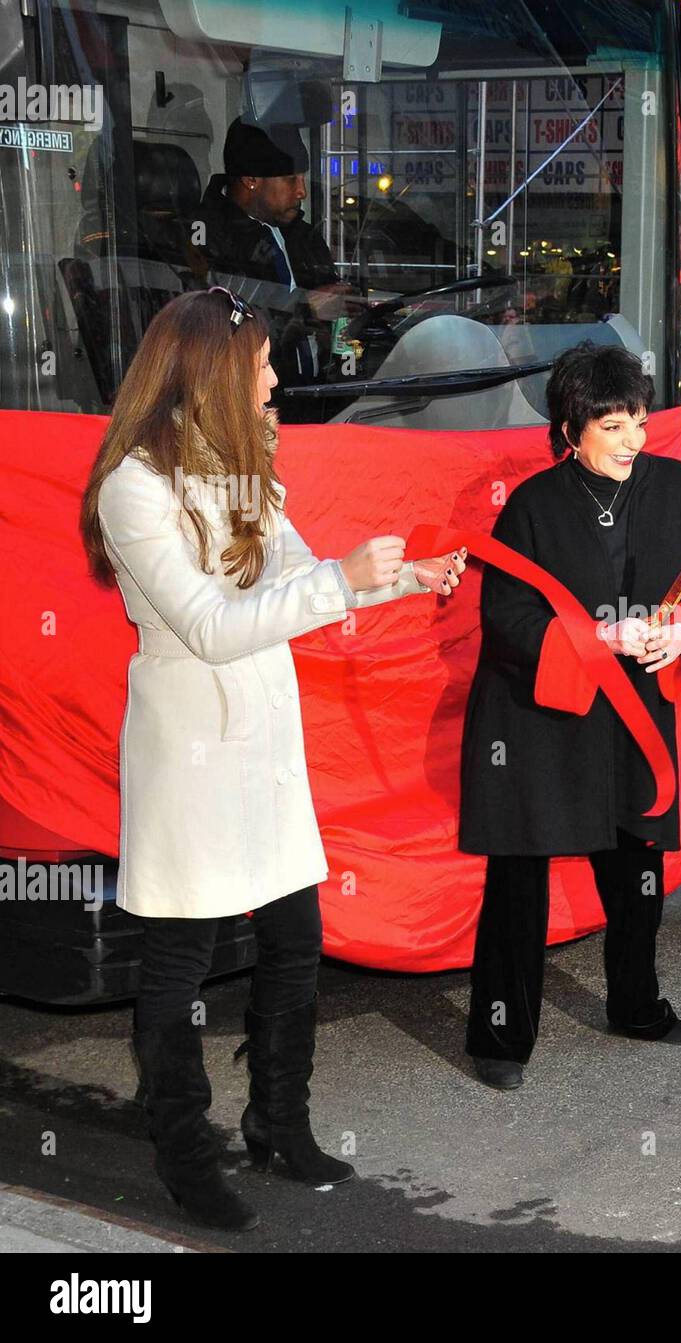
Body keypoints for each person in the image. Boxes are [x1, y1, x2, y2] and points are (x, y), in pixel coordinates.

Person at [80, 288, 466, 1231]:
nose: (275, 380)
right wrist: (344, 583)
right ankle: (185, 1152)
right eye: (260, 365)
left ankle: (277, 1119)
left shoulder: (242, 464)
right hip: (191, 745)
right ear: (214, 368)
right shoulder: (135, 484)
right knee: (181, 958)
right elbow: (210, 628)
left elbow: (293, 576)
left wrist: (400, 580)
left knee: (295, 937)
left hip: (265, 736)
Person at [458, 342, 681, 1091]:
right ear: (571, 430)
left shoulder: (674, 487)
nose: (634, 440)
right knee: (518, 882)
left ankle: (637, 1006)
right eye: (613, 427)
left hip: (633, 709)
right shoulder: (533, 506)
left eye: (637, 420)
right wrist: (598, 637)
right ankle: (501, 1037)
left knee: (638, 866)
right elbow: (504, 619)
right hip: (537, 717)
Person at [188, 118, 353, 402]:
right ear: (251, 180)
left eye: (302, 178)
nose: (302, 191)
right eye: (291, 179)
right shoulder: (207, 238)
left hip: (320, 398)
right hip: (252, 406)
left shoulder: (301, 234)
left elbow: (330, 303)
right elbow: (222, 334)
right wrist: (306, 308)